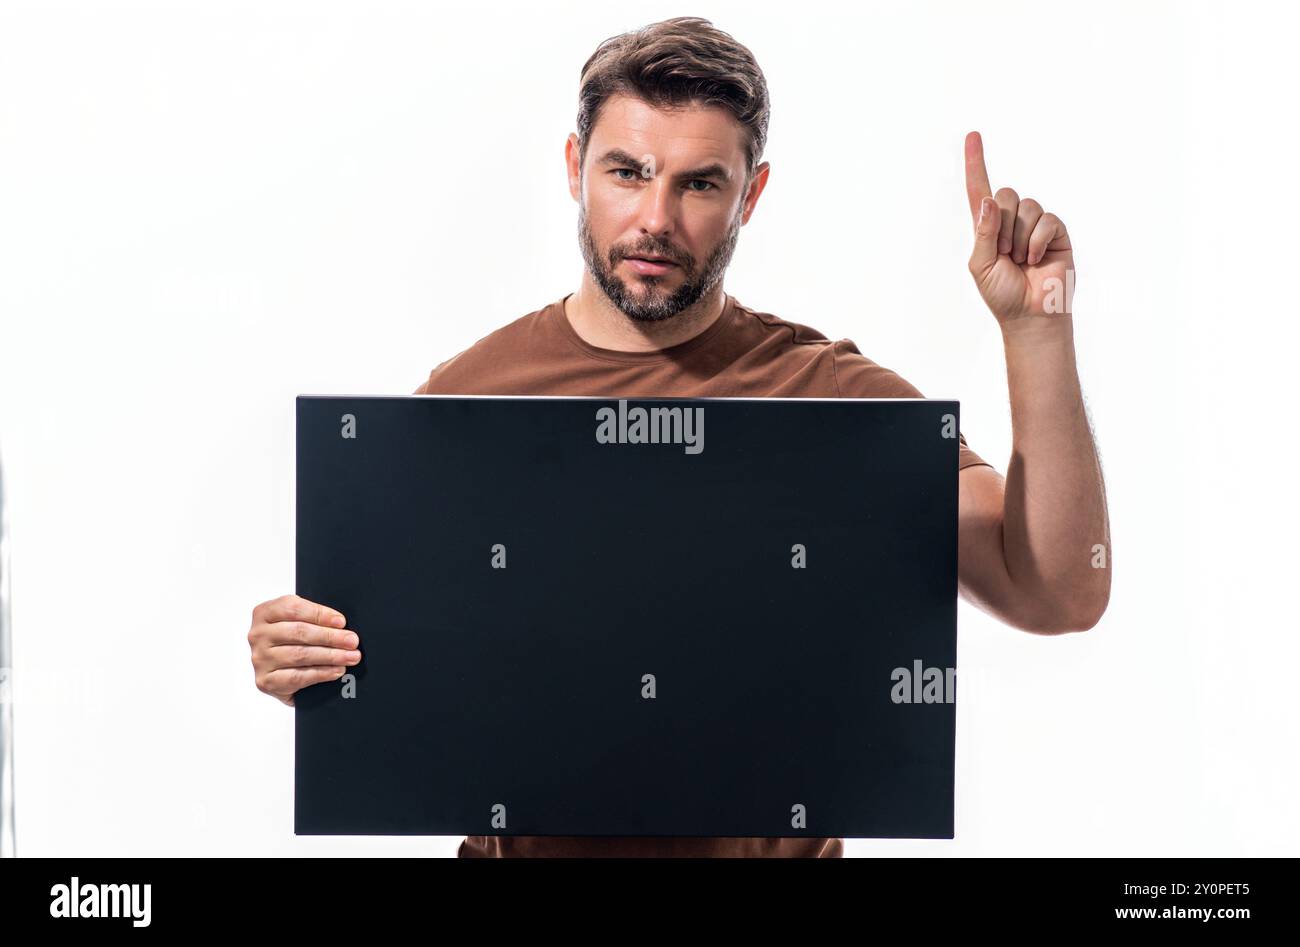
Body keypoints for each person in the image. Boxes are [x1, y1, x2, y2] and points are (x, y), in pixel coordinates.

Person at [247, 16, 1111, 858]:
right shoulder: (467, 396)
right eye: (627, 172)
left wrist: (1038, 334)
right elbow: (404, 661)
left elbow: (1058, 592)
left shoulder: (832, 395)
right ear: (575, 167)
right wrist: (310, 661)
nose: (654, 218)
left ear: (752, 193)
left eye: (699, 183)